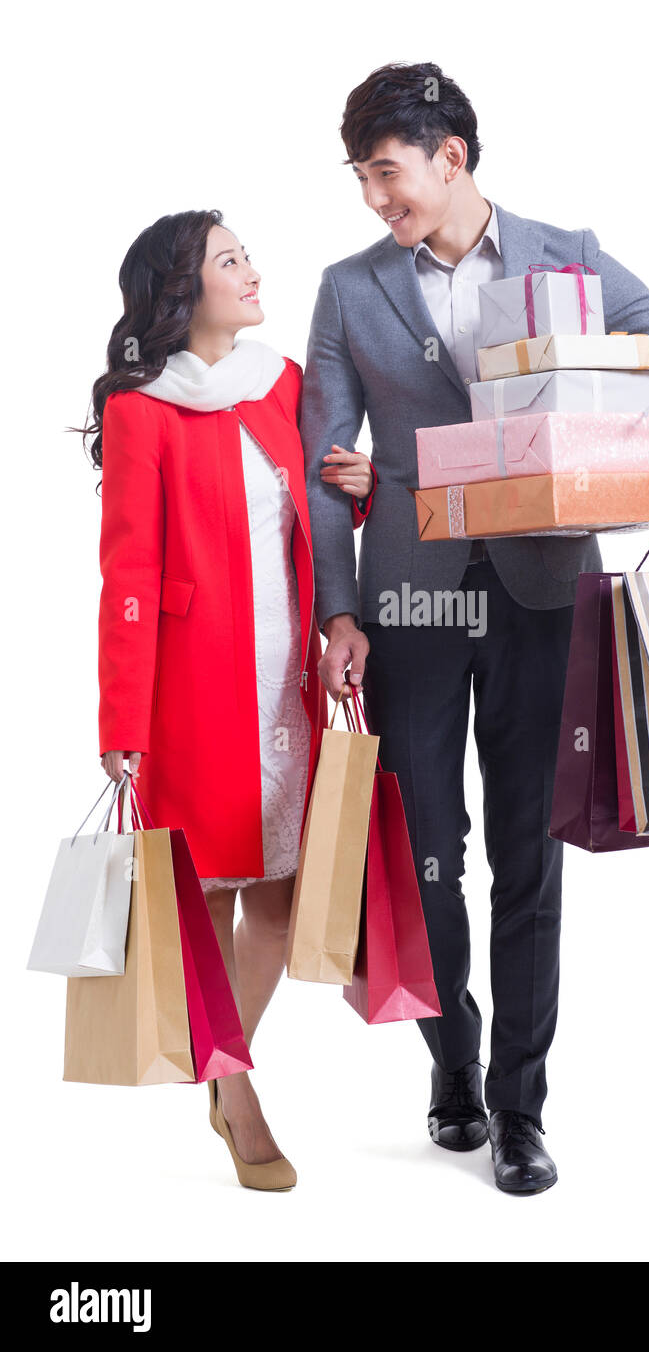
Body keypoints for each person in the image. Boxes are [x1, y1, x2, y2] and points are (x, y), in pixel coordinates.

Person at [298, 62, 649, 1196]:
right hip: (410, 602)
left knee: (526, 859)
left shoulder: (569, 258)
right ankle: (449, 1063)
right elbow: (325, 472)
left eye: (386, 172)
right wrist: (338, 610)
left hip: (542, 594)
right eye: (362, 178)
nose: (374, 198)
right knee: (424, 861)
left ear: (448, 155)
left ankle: (518, 1105)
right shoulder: (349, 289)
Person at [80, 209, 375, 1191]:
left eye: (246, 254)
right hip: (192, 692)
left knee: (283, 907)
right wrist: (120, 723)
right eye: (229, 260)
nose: (252, 271)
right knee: (209, 898)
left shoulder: (279, 384)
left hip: (286, 682)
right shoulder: (141, 411)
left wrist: (362, 488)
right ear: (182, 290)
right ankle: (238, 1090)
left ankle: (219, 1058)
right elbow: (125, 574)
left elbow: (318, 503)